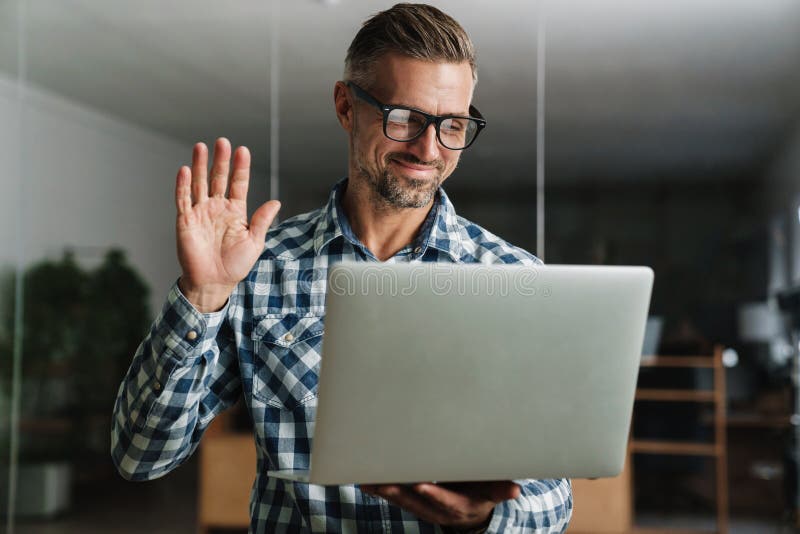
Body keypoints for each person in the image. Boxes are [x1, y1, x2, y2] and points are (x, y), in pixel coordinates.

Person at [111, 3, 572, 532]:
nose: (429, 148)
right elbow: (140, 456)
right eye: (405, 118)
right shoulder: (258, 269)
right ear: (346, 106)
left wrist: (485, 518)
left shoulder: (516, 278)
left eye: (454, 125)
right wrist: (202, 295)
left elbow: (552, 498)